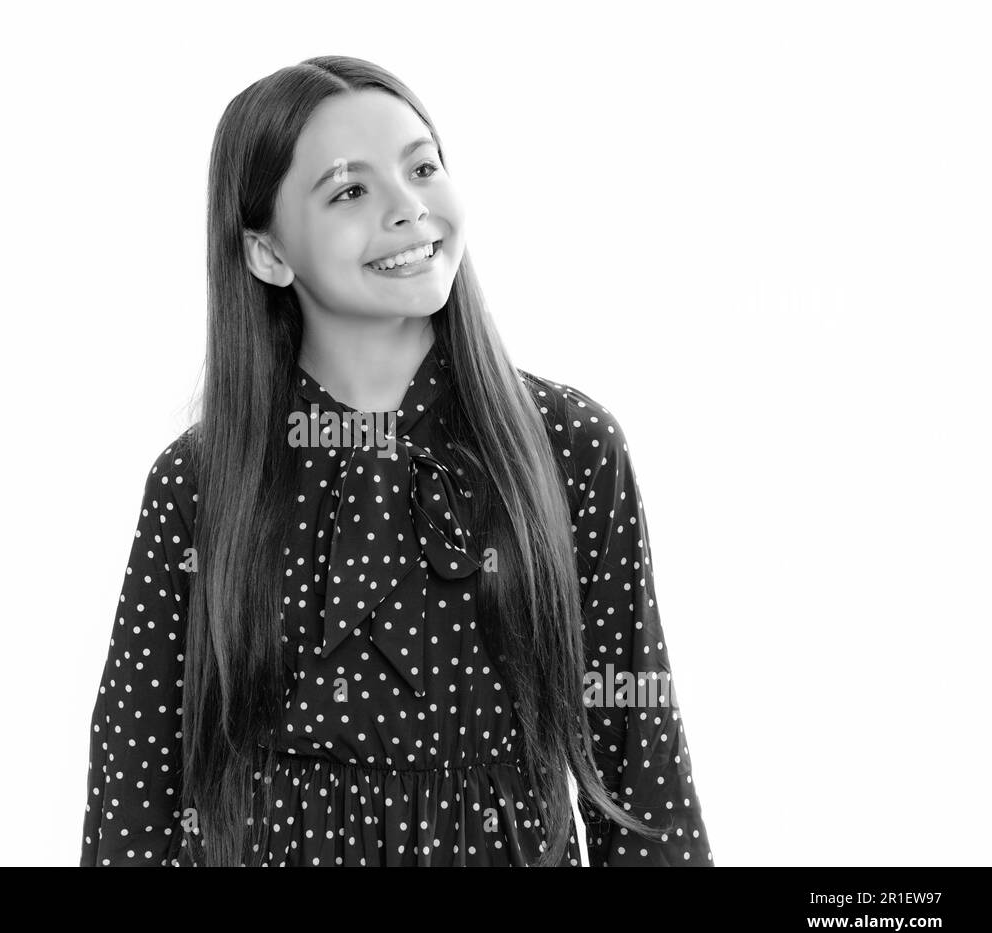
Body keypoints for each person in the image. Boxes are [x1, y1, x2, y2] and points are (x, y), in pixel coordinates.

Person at [80, 55, 713, 866]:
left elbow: (640, 762)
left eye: (422, 167)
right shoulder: (199, 483)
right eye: (351, 191)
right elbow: (137, 780)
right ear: (268, 253)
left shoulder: (569, 446)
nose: (410, 209)